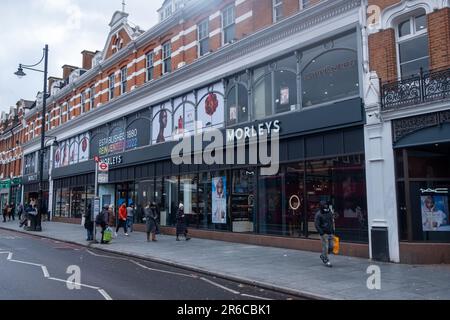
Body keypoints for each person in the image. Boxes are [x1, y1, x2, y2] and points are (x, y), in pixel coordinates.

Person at [315, 201, 335, 267]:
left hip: (330, 232)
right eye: (324, 205)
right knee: (325, 247)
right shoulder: (318, 214)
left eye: (326, 205)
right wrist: (321, 233)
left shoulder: (329, 212)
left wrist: (333, 230)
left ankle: (323, 255)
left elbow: (332, 221)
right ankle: (326, 260)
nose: (326, 206)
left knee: (331, 247)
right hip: (324, 233)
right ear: (321, 206)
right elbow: (317, 224)